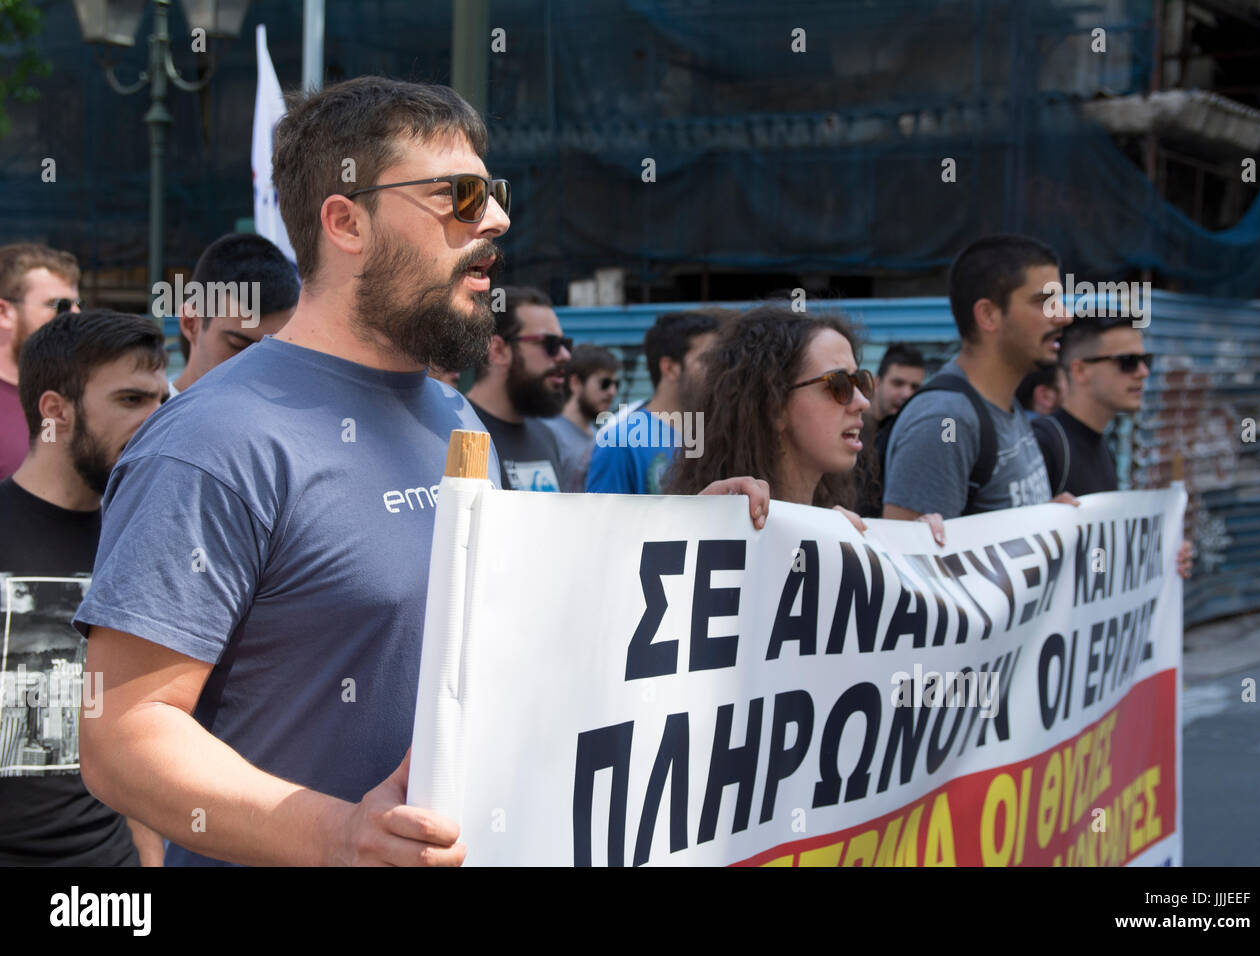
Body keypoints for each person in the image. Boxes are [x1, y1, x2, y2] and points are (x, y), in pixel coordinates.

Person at [74, 76, 767, 869]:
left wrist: (684, 542)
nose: (497, 220)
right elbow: (122, 739)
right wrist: (339, 835)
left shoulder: (452, 413)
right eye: (460, 196)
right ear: (347, 221)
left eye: (493, 193)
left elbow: (512, 621)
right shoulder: (213, 442)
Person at [0, 308, 168, 866]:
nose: (156, 420)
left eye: (161, 401)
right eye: (130, 400)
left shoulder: (149, 540)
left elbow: (146, 736)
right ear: (56, 413)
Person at [667, 305, 944, 542]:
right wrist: (700, 524)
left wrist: (916, 551)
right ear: (775, 407)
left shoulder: (841, 522)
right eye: (838, 385)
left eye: (860, 381)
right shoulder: (713, 527)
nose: (862, 402)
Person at [882, 234, 1077, 521]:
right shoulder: (945, 420)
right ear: (988, 315)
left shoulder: (1002, 404)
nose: (1064, 316)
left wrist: (1046, 520)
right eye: (1044, 301)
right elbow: (910, 559)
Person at [1033, 315, 1193, 577]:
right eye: (1127, 362)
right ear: (1080, 371)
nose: (1143, 372)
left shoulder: (1100, 443)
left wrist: (1163, 556)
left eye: (1146, 360)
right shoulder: (1045, 442)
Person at [587, 309, 723, 495]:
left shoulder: (709, 435)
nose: (719, 371)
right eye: (708, 360)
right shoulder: (620, 443)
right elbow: (601, 522)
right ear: (670, 368)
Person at [466, 286, 573, 491]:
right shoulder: (456, 434)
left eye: (565, 343)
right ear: (498, 350)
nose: (565, 355)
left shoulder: (546, 437)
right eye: (550, 344)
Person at [170, 233, 301, 396]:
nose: (257, 369)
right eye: (237, 345)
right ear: (190, 323)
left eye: (274, 351)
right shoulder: (145, 419)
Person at [0, 244, 81, 478]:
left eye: (79, 305)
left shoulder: (84, 397)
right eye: (61, 306)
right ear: (4, 313)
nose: (74, 316)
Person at [856, 342, 925, 516]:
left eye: (915, 387)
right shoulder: (851, 425)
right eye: (898, 383)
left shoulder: (909, 431)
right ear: (877, 382)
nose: (906, 394)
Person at [544, 344, 619, 492]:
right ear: (575, 383)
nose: (612, 392)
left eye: (616, 384)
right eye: (605, 383)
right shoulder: (549, 434)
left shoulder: (600, 438)